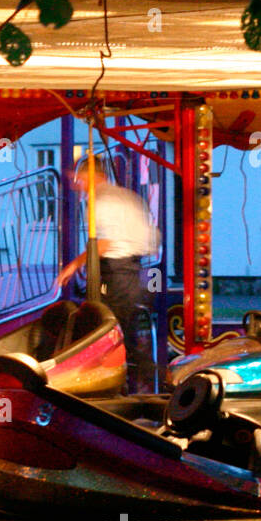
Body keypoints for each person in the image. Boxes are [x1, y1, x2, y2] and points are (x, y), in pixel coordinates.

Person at [57, 168, 160, 394]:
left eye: (80, 179)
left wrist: (73, 266)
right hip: (132, 268)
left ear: (94, 177)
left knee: (109, 329)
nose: (77, 185)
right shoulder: (126, 197)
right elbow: (151, 236)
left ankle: (117, 387)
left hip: (116, 271)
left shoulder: (101, 202)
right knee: (125, 329)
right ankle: (145, 384)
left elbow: (103, 244)